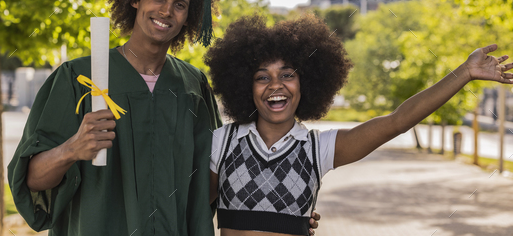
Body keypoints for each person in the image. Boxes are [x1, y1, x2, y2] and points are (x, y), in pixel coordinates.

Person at [203, 14, 513, 236]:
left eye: (287, 74)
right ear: (245, 85)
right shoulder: (223, 141)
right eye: (262, 77)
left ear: (306, 82)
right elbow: (194, 210)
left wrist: (465, 73)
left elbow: (398, 121)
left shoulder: (318, 149)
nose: (275, 86)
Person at [8, 0, 228, 236]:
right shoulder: (78, 79)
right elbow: (31, 180)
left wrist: (286, 217)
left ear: (189, 16)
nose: (166, 11)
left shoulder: (194, 87)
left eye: (180, 4)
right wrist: (72, 149)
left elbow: (209, 185)